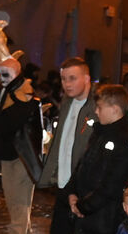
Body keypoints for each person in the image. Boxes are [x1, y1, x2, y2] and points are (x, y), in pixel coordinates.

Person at [62, 84, 128, 233]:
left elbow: (112, 182)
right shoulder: (99, 132)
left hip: (103, 217)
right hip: (85, 210)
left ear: (114, 109)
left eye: (100, 107)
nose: (96, 111)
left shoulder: (123, 139)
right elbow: (82, 164)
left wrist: (83, 206)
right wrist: (72, 192)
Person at [0, 57, 41, 234]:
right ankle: (21, 228)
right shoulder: (12, 90)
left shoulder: (22, 92)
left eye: (5, 74)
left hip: (21, 152)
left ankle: (18, 229)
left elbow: (12, 119)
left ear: (16, 73)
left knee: (18, 194)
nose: (2, 77)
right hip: (13, 150)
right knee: (13, 192)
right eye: (0, 73)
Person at [39, 57, 97, 234]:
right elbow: (61, 142)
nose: (67, 84)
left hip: (83, 186)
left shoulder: (98, 106)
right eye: (64, 79)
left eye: (72, 78)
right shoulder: (66, 103)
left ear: (86, 79)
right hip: (63, 182)